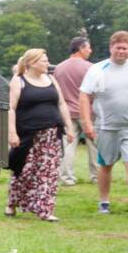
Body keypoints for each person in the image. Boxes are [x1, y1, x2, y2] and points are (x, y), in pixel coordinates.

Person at [79, 31, 128, 220]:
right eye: (117, 47)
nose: (121, 51)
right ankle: (104, 201)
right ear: (111, 48)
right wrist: (87, 122)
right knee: (106, 164)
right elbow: (85, 96)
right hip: (106, 126)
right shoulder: (98, 69)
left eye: (125, 48)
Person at [6, 48, 74, 221]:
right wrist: (12, 133)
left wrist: (69, 127)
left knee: (49, 172)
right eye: (44, 60)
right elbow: (11, 108)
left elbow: (61, 104)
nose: (47, 63)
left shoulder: (51, 79)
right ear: (31, 63)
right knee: (24, 170)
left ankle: (45, 210)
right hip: (28, 135)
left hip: (51, 134)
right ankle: (12, 203)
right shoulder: (19, 81)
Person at [54, 36, 96, 185]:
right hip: (88, 113)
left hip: (66, 113)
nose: (90, 50)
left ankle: (66, 177)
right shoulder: (90, 68)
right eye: (88, 47)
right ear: (81, 48)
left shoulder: (59, 67)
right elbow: (95, 91)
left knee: (67, 145)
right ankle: (96, 176)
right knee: (95, 145)